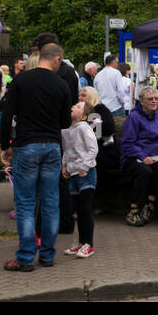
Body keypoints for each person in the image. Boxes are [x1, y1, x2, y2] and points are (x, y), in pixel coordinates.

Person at [0, 41, 72, 271]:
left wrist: (5, 146)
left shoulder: (21, 79)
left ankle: (25, 257)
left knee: (25, 203)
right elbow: (65, 122)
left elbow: (6, 114)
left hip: (26, 145)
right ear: (57, 59)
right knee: (51, 202)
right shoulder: (62, 85)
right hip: (51, 146)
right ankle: (48, 255)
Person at [120, 85, 158, 226]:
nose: (154, 101)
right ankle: (134, 209)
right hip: (134, 156)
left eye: (156, 98)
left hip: (154, 156)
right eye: (150, 99)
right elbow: (128, 143)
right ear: (142, 102)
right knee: (144, 171)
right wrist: (142, 157)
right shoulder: (134, 118)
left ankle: (149, 204)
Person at [61, 101, 98, 259]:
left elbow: (93, 148)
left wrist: (85, 166)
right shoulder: (67, 130)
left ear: (83, 116)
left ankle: (88, 244)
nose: (73, 107)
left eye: (78, 107)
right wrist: (64, 165)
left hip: (85, 174)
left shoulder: (84, 128)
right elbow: (67, 150)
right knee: (77, 211)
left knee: (85, 209)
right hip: (73, 174)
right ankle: (81, 242)